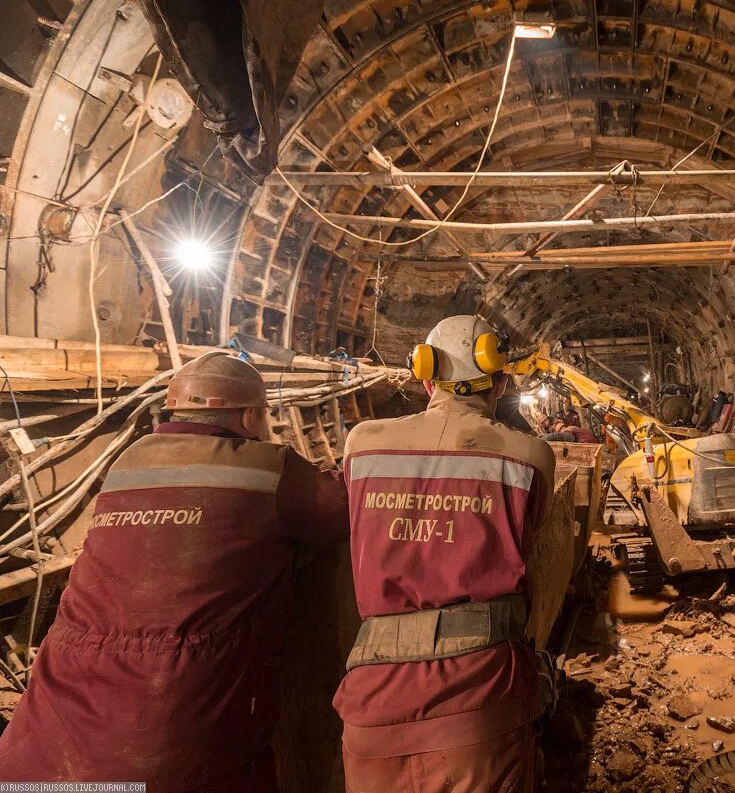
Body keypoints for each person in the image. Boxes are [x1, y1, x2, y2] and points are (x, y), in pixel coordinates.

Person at [0, 353, 350, 791]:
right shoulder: (269, 467)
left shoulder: (128, 461)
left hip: (52, 726)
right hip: (172, 724)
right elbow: (340, 511)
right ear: (249, 414)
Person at [335, 315, 558, 793]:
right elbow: (525, 537)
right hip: (481, 690)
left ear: (425, 376)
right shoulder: (531, 456)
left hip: (372, 697)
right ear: (500, 381)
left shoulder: (360, 446)